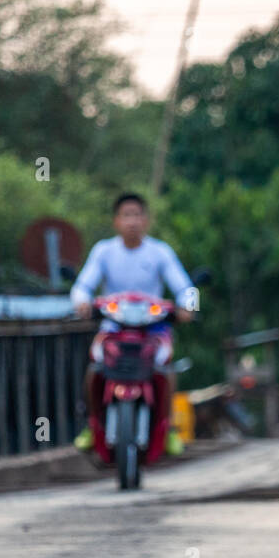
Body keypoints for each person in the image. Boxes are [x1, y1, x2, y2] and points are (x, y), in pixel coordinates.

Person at [70, 192, 196, 463]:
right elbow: (82, 286)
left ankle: (169, 426)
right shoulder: (104, 251)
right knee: (94, 367)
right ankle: (92, 426)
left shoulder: (160, 252)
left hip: (153, 329)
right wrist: (81, 303)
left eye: (137, 215)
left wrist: (188, 307)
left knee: (166, 367)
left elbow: (186, 288)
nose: (132, 222)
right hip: (114, 327)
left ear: (146, 220)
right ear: (116, 221)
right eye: (126, 215)